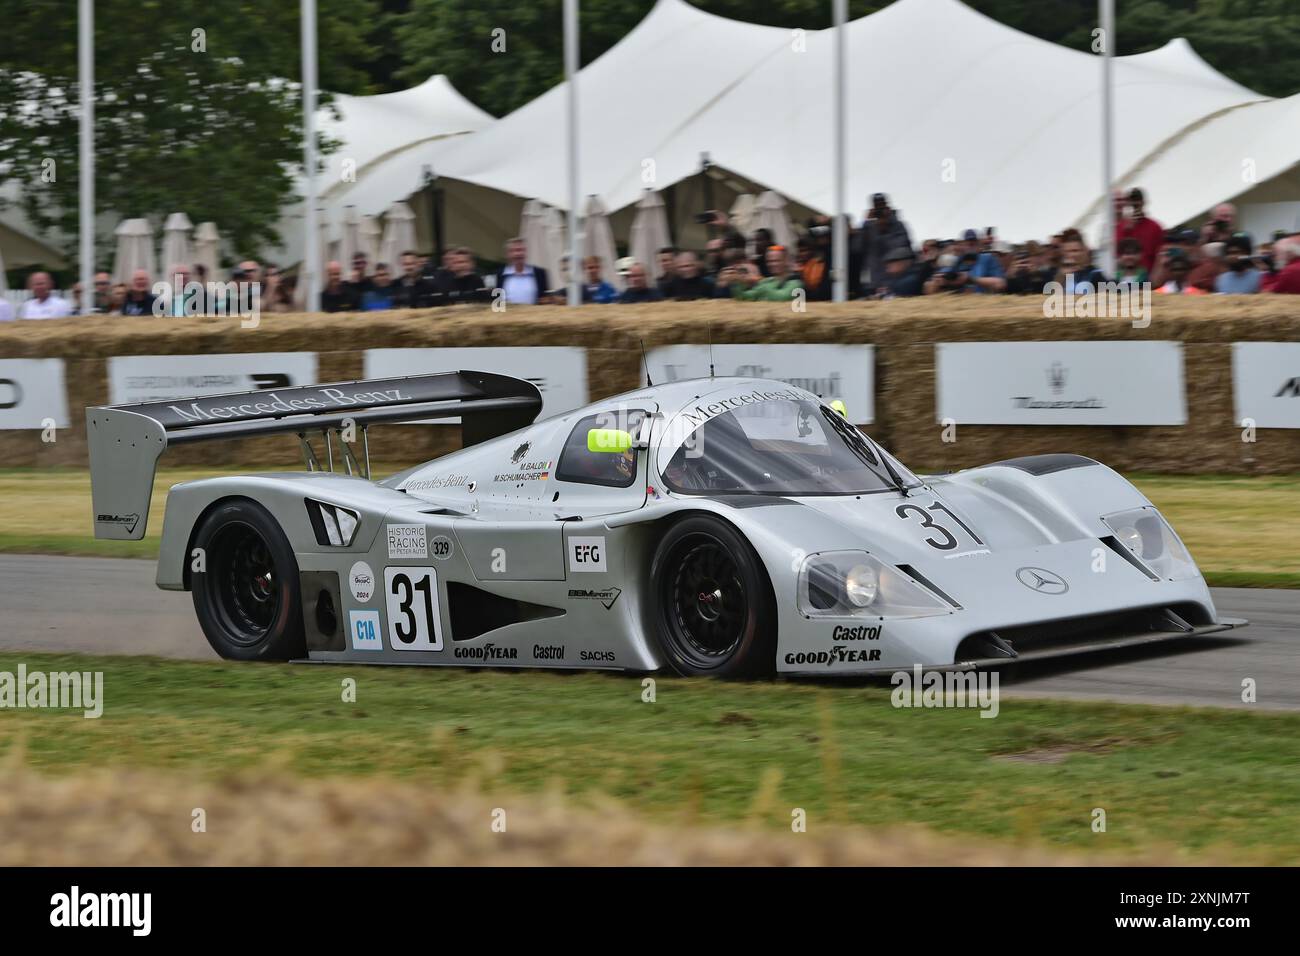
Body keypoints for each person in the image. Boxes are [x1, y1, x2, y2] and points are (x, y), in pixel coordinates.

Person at [857, 193, 912, 289]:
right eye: (876, 205)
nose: (879, 209)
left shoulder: (898, 225)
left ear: (887, 205)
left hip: (895, 278)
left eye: (881, 205)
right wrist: (865, 223)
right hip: (873, 278)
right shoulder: (868, 226)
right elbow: (858, 247)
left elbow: (902, 249)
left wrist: (885, 230)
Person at [1114, 187, 1164, 274]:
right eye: (1131, 204)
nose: (1134, 207)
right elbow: (1117, 255)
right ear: (1127, 205)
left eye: (1137, 204)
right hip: (1126, 281)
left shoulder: (1155, 227)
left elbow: (1160, 258)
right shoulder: (1120, 228)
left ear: (1143, 203)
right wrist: (1127, 230)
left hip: (1148, 281)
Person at [730, 245, 802, 301]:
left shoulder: (796, 283)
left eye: (776, 261)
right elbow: (746, 297)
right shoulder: (767, 281)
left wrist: (761, 284)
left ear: (786, 261)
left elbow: (782, 298)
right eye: (769, 261)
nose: (772, 264)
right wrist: (738, 281)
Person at [495, 237, 549, 305]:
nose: (518, 254)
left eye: (521, 250)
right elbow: (497, 302)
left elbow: (546, 300)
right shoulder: (500, 274)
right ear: (508, 254)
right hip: (507, 315)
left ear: (526, 252)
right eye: (514, 250)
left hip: (534, 314)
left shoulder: (539, 273)